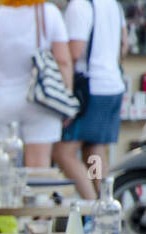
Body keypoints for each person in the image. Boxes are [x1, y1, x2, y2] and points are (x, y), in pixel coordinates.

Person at [0, 0, 74, 168]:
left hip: (1, 101)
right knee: (38, 169)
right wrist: (65, 97)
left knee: (0, 167)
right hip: (41, 101)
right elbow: (63, 61)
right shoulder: (50, 13)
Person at [54, 0, 129, 200]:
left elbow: (75, 51)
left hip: (89, 89)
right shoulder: (113, 5)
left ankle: (91, 205)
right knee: (94, 150)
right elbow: (124, 45)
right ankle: (104, 201)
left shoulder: (79, 6)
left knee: (63, 152)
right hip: (113, 85)